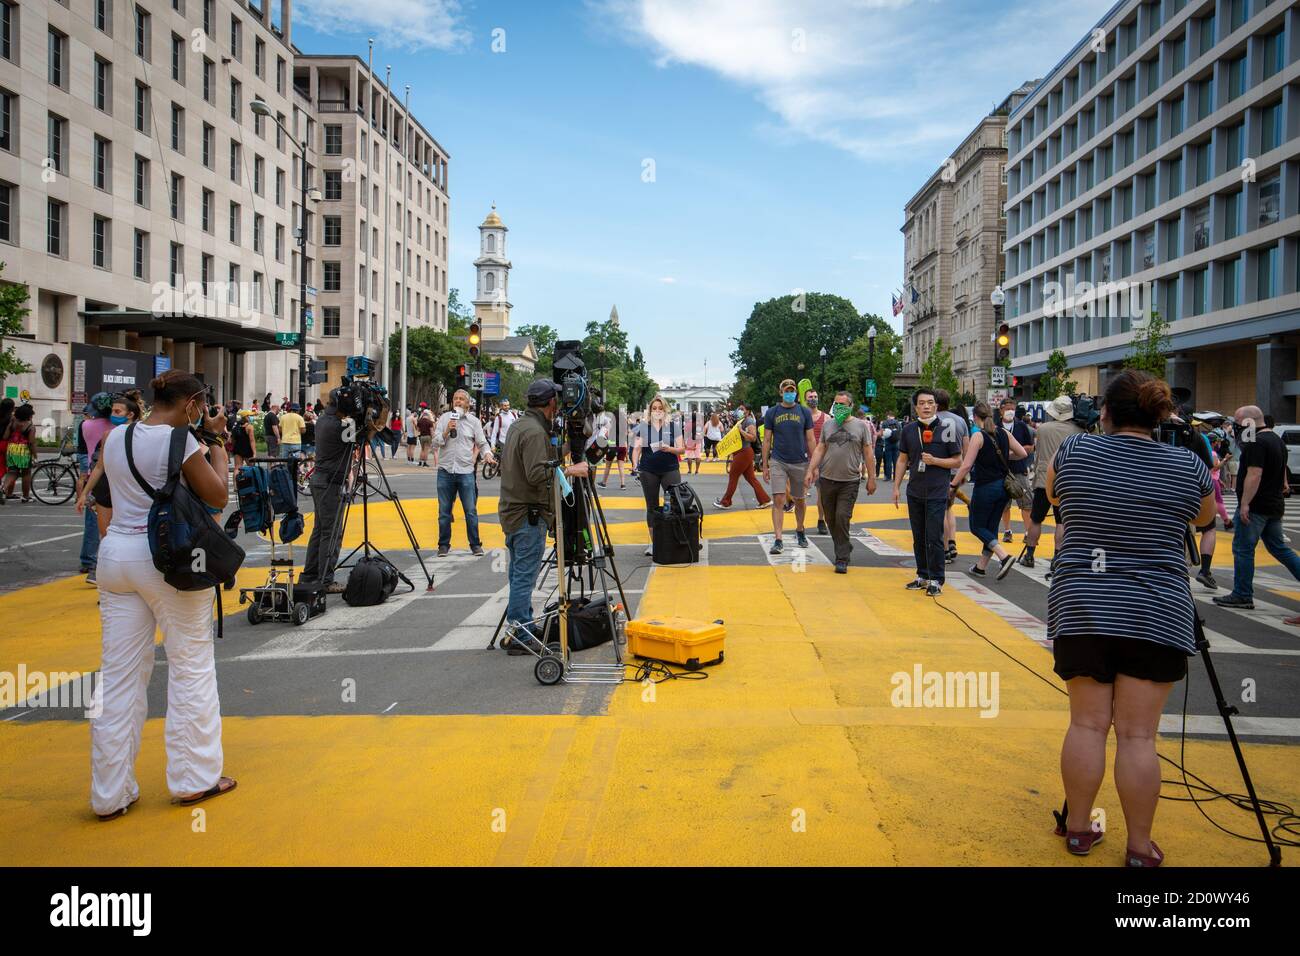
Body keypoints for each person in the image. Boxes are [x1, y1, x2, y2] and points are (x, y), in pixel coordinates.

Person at [1046, 369, 1215, 867]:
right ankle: (1139, 846)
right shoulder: (1186, 464)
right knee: (1139, 735)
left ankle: (1078, 829)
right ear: (1162, 414)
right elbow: (1204, 520)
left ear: (1105, 413)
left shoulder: (1077, 452)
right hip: (1156, 610)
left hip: (1083, 605)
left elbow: (1056, 497)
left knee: (1087, 724)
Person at [91, 369, 237, 819]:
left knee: (117, 677)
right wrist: (215, 443)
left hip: (116, 557)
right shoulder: (182, 442)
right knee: (190, 665)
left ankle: (109, 794)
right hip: (167, 559)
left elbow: (108, 495)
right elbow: (217, 497)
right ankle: (194, 779)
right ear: (193, 403)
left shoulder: (117, 438)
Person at [497, 380, 590, 655]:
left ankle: (523, 622)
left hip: (516, 512)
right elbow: (537, 473)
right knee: (525, 575)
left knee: (518, 573)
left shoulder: (521, 425)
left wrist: (569, 447)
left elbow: (542, 458)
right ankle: (520, 632)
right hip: (527, 514)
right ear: (551, 403)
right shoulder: (535, 432)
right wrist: (571, 471)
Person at [1213, 405, 1300, 611]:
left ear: (1248, 423)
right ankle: (1242, 593)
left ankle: (1242, 594)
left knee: (1243, 549)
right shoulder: (1276, 441)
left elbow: (1254, 473)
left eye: (1237, 423)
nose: (1235, 427)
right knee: (1279, 548)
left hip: (1256, 505)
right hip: (1274, 504)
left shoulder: (1257, 443)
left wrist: (1244, 503)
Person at [892, 388, 963, 596]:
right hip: (914, 490)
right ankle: (922, 574)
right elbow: (903, 460)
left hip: (937, 491)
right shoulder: (909, 430)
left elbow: (957, 460)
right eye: (922, 403)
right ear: (916, 407)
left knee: (934, 536)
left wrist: (936, 461)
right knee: (918, 536)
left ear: (936, 406)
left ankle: (936, 578)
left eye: (930, 403)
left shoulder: (946, 428)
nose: (926, 406)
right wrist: (896, 486)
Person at [949, 401, 1027, 580]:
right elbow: (1022, 453)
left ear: (976, 417)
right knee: (991, 528)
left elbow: (966, 465)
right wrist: (1004, 456)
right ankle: (980, 567)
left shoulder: (978, 436)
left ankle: (1003, 556)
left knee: (976, 526)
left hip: (986, 487)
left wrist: (953, 484)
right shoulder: (1004, 433)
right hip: (1004, 487)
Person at [806, 390, 877, 572]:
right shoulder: (828, 425)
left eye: (842, 405)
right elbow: (821, 448)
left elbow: (868, 453)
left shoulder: (861, 426)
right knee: (830, 519)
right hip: (827, 479)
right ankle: (844, 545)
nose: (838, 408)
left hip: (850, 481)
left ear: (851, 406)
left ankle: (842, 558)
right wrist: (811, 469)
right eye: (836, 404)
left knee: (842, 517)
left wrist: (871, 478)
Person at [1020, 395, 1084, 570]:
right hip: (1066, 480)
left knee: (1036, 519)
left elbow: (1038, 451)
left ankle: (1030, 555)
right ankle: (1057, 557)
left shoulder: (1043, 429)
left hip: (1043, 480)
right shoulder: (1078, 431)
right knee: (1061, 521)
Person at [432, 389, 495, 556]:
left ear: (467, 404)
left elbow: (482, 443)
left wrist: (488, 455)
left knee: (470, 511)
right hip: (445, 471)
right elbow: (435, 442)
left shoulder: (474, 422)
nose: (458, 401)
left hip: (465, 471)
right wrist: (446, 431)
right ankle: (443, 545)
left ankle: (475, 544)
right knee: (444, 512)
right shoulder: (444, 419)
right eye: (455, 399)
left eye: (461, 399)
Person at [301, 396, 353, 594]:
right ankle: (326, 579)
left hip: (320, 481)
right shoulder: (338, 427)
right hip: (330, 483)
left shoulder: (323, 420)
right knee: (331, 533)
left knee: (320, 530)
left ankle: (310, 574)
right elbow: (359, 437)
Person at [77, 394, 144, 542]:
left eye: (117, 412)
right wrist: (84, 493)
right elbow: (99, 466)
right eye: (112, 411)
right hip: (106, 486)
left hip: (131, 487)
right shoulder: (108, 435)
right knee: (106, 535)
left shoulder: (143, 433)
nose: (113, 415)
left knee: (134, 534)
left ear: (131, 414)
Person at [762, 379, 816, 554]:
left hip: (800, 461)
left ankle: (800, 529)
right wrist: (765, 465)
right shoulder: (772, 413)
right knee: (778, 499)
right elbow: (767, 440)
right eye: (786, 390)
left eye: (792, 390)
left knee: (799, 499)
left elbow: (810, 439)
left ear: (796, 393)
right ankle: (778, 539)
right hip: (779, 461)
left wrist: (814, 465)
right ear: (781, 392)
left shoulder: (804, 412)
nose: (790, 393)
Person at [632, 395, 686, 558]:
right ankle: (654, 542)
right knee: (652, 506)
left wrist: (669, 448)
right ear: (650, 411)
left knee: (671, 504)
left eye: (660, 408)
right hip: (648, 470)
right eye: (654, 408)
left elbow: (682, 449)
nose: (657, 411)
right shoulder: (644, 426)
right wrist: (635, 464)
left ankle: (670, 538)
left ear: (665, 410)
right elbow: (636, 449)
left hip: (670, 469)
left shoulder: (673, 426)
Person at [77, 393, 116, 578]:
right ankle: (103, 564)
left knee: (92, 523)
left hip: (94, 476)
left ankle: (88, 560)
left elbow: (84, 451)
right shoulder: (119, 427)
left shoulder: (86, 426)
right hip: (114, 478)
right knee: (111, 526)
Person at [714, 402, 771, 511]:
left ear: (748, 411)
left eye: (742, 409)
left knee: (733, 476)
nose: (739, 410)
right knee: (751, 478)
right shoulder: (742, 421)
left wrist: (740, 430)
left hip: (744, 452)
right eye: (739, 408)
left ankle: (726, 502)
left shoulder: (749, 421)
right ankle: (765, 500)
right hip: (742, 452)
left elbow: (753, 437)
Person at [935, 389, 970, 564]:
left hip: (938, 468)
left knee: (940, 509)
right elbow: (966, 448)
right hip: (957, 469)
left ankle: (945, 548)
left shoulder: (933, 420)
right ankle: (952, 541)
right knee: (949, 508)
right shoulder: (960, 420)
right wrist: (965, 469)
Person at [997, 399, 1034, 543]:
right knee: (1004, 504)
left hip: (1019, 470)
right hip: (1002, 471)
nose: (1010, 411)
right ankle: (1007, 531)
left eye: (1012, 408)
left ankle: (1027, 532)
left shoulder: (1021, 426)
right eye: (1007, 408)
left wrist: (1017, 452)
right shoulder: (996, 426)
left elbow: (1030, 447)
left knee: (1026, 502)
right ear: (1001, 410)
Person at [803, 390, 831, 535]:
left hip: (822, 460)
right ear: (805, 399)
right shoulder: (801, 416)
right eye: (810, 397)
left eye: (815, 397)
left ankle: (821, 520)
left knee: (822, 493)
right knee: (802, 492)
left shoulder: (826, 418)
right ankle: (800, 523)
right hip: (804, 459)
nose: (813, 399)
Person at [0, 403, 38, 503]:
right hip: (23, 451)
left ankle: (3, 488)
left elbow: (5, 436)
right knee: (26, 473)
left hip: (11, 448)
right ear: (28, 416)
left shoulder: (12, 423)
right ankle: (25, 496)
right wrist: (35, 456)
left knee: (12, 471)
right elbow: (31, 443)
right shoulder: (30, 427)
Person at [597, 406, 626, 489]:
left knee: (608, 466)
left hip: (613, 446)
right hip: (622, 446)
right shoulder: (624, 425)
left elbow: (608, 435)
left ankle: (604, 483)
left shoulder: (611, 424)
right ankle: (623, 484)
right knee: (621, 466)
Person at [880, 413, 901, 481]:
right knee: (896, 461)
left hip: (888, 443)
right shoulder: (898, 422)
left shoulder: (885, 423)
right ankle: (896, 477)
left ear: (888, 416)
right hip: (897, 443)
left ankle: (888, 477)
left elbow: (882, 433)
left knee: (888, 461)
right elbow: (901, 432)